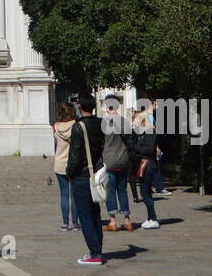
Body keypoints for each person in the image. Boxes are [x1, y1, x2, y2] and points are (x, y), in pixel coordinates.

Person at [64, 94, 106, 265]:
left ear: (80, 107)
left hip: (82, 175)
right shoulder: (100, 123)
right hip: (96, 173)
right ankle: (98, 248)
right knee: (95, 212)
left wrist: (69, 173)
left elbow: (75, 155)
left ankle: (95, 253)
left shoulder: (78, 127)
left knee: (85, 215)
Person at [101, 95, 134, 233]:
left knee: (110, 191)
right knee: (122, 189)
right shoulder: (124, 121)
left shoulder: (104, 122)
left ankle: (113, 221)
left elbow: (100, 142)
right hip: (123, 159)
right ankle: (127, 220)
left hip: (109, 160)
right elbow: (129, 139)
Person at [130, 105, 160, 230]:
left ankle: (153, 218)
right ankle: (150, 217)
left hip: (148, 165)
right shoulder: (142, 132)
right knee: (146, 192)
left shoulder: (150, 132)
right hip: (144, 164)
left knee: (145, 192)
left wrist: (135, 147)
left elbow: (148, 149)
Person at [52, 103, 79, 230]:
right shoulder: (76, 125)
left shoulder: (56, 127)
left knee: (64, 194)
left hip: (59, 163)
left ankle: (64, 223)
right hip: (74, 163)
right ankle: (75, 223)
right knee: (74, 195)